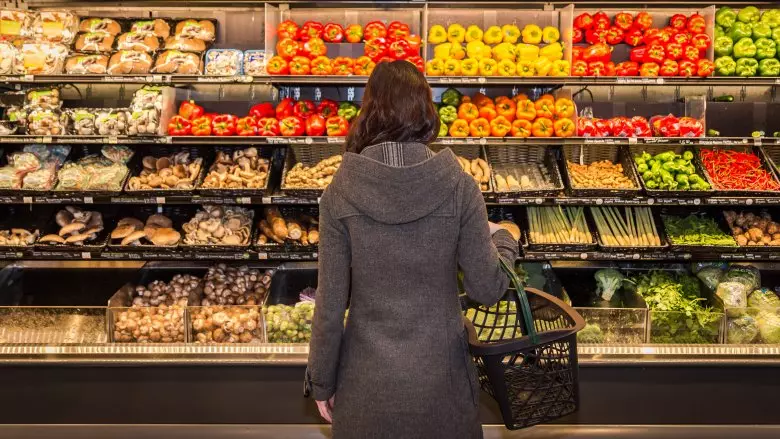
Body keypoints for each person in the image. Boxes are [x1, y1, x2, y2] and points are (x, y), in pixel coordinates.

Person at [306, 60, 519, 439]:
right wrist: (504, 239)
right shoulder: (459, 187)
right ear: (426, 108)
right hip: (443, 387)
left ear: (368, 109)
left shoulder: (338, 192)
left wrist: (321, 382)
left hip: (365, 389)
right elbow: (487, 288)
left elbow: (330, 302)